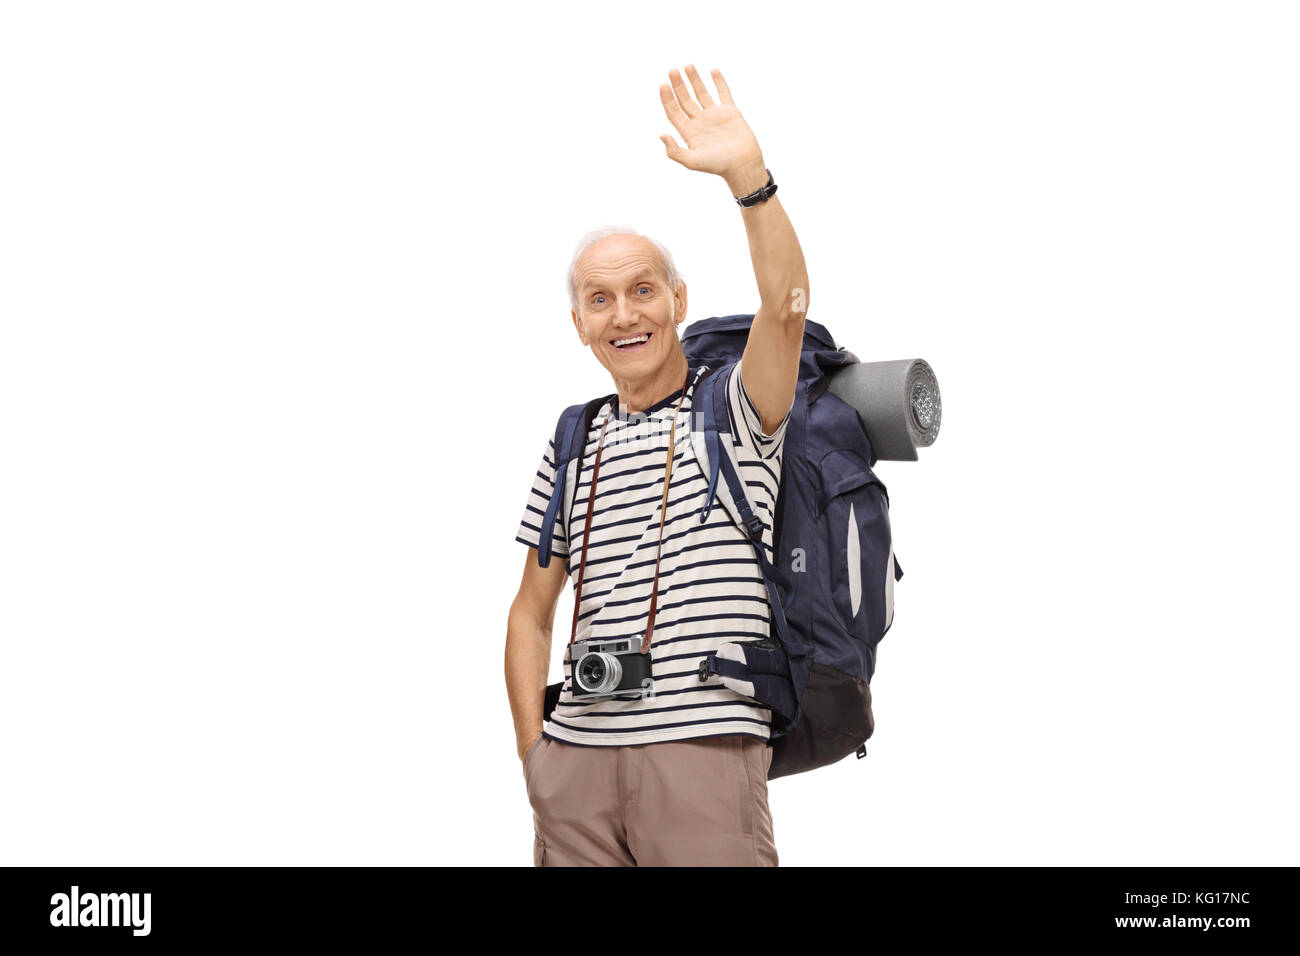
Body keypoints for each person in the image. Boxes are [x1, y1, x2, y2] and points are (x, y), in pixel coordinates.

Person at [505, 65, 808, 867]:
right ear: (579, 324)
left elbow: (784, 310)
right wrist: (539, 757)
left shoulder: (736, 409)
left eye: (643, 290)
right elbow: (531, 612)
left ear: (678, 298)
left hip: (702, 754)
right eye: (600, 299)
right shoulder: (572, 437)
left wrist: (750, 180)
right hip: (576, 761)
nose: (625, 314)